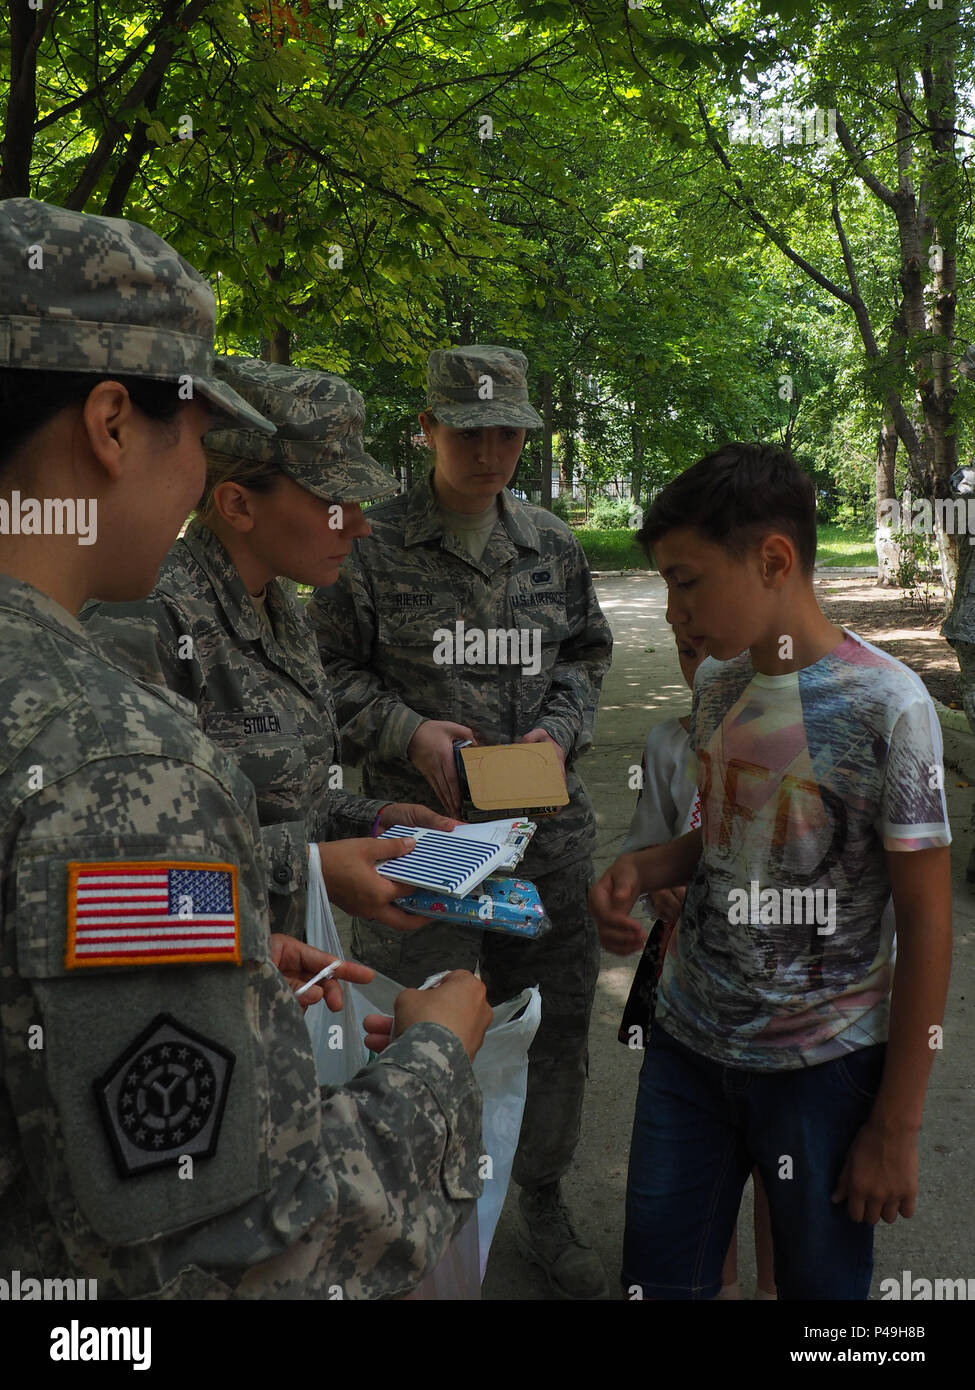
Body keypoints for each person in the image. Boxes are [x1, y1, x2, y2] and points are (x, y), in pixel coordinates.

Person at [0, 196, 491, 1300]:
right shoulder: (115, 754)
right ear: (114, 423)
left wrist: (237, 905)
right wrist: (439, 1053)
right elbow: (249, 1250)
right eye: (196, 428)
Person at [591, 442, 952, 1301]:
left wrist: (894, 1126)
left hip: (822, 1073)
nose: (671, 611)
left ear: (773, 559)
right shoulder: (719, 684)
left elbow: (929, 921)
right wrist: (643, 867)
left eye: (685, 581)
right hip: (684, 1045)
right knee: (660, 1279)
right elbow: (724, 837)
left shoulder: (890, 708)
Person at [308, 344, 614, 1299]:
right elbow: (323, 679)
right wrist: (407, 729)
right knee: (406, 1023)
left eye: (508, 434)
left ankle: (542, 1196)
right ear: (428, 429)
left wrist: (559, 736)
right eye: (469, 431)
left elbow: (585, 654)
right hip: (420, 846)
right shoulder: (368, 545)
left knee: (551, 1023)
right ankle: (398, 1220)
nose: (490, 452)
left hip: (543, 841)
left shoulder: (552, 544)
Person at [84, 356, 458, 940]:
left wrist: (376, 821)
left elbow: (285, 806)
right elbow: (117, 886)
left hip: (277, 974)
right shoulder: (146, 624)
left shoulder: (280, 605)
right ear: (238, 504)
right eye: (336, 504)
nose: (359, 527)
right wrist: (312, 871)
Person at [620, 625, 776, 1301]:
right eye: (687, 649)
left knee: (780, 1163)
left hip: (775, 999)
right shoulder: (667, 744)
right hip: (685, 981)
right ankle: (721, 1282)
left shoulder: (794, 746)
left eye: (721, 650)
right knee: (702, 1150)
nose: (704, 666)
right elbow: (647, 844)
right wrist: (656, 886)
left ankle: (774, 1286)